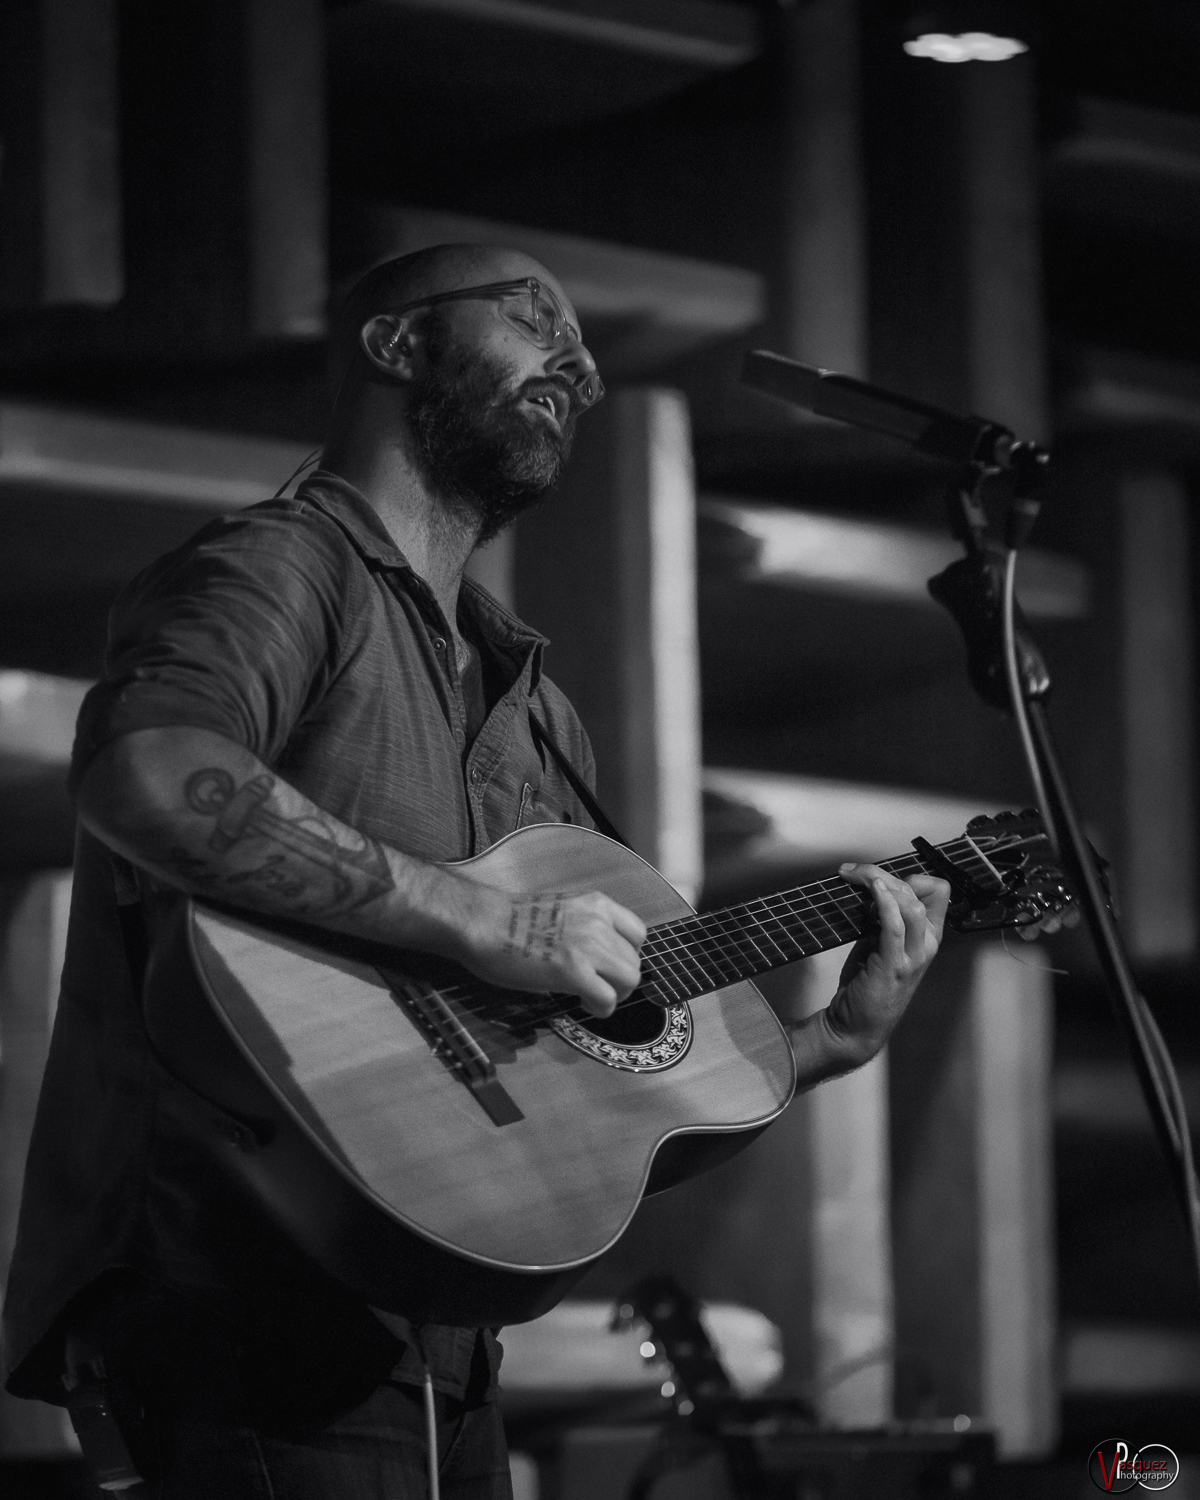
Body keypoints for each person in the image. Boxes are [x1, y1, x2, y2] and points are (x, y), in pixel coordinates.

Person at [1, 244, 951, 1497]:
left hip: (441, 1339)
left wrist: (823, 1046)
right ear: (397, 346)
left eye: (587, 348)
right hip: (236, 1299)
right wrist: (481, 922)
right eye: (531, 319)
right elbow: (149, 774)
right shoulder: (288, 567)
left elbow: (587, 1105)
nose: (583, 364)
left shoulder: (538, 710)